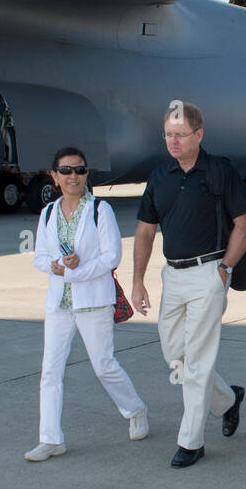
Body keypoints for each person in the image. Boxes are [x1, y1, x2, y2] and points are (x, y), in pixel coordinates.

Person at [131, 101, 246, 467]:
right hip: (173, 275)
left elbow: (243, 223)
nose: (173, 141)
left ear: (198, 134)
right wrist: (137, 280)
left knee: (197, 361)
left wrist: (226, 269)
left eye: (180, 135)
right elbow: (145, 230)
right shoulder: (160, 175)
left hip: (209, 273)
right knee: (176, 356)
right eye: (168, 134)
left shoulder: (219, 171)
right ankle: (229, 400)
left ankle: (191, 442)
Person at [28, 147, 148, 461]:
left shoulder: (100, 210)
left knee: (104, 366)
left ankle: (135, 410)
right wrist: (57, 264)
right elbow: (40, 256)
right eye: (66, 171)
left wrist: (77, 270)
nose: (73, 177)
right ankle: (51, 439)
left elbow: (112, 257)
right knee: (50, 371)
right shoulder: (49, 213)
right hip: (59, 303)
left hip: (94, 301)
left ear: (86, 174)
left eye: (79, 170)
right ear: (54, 176)